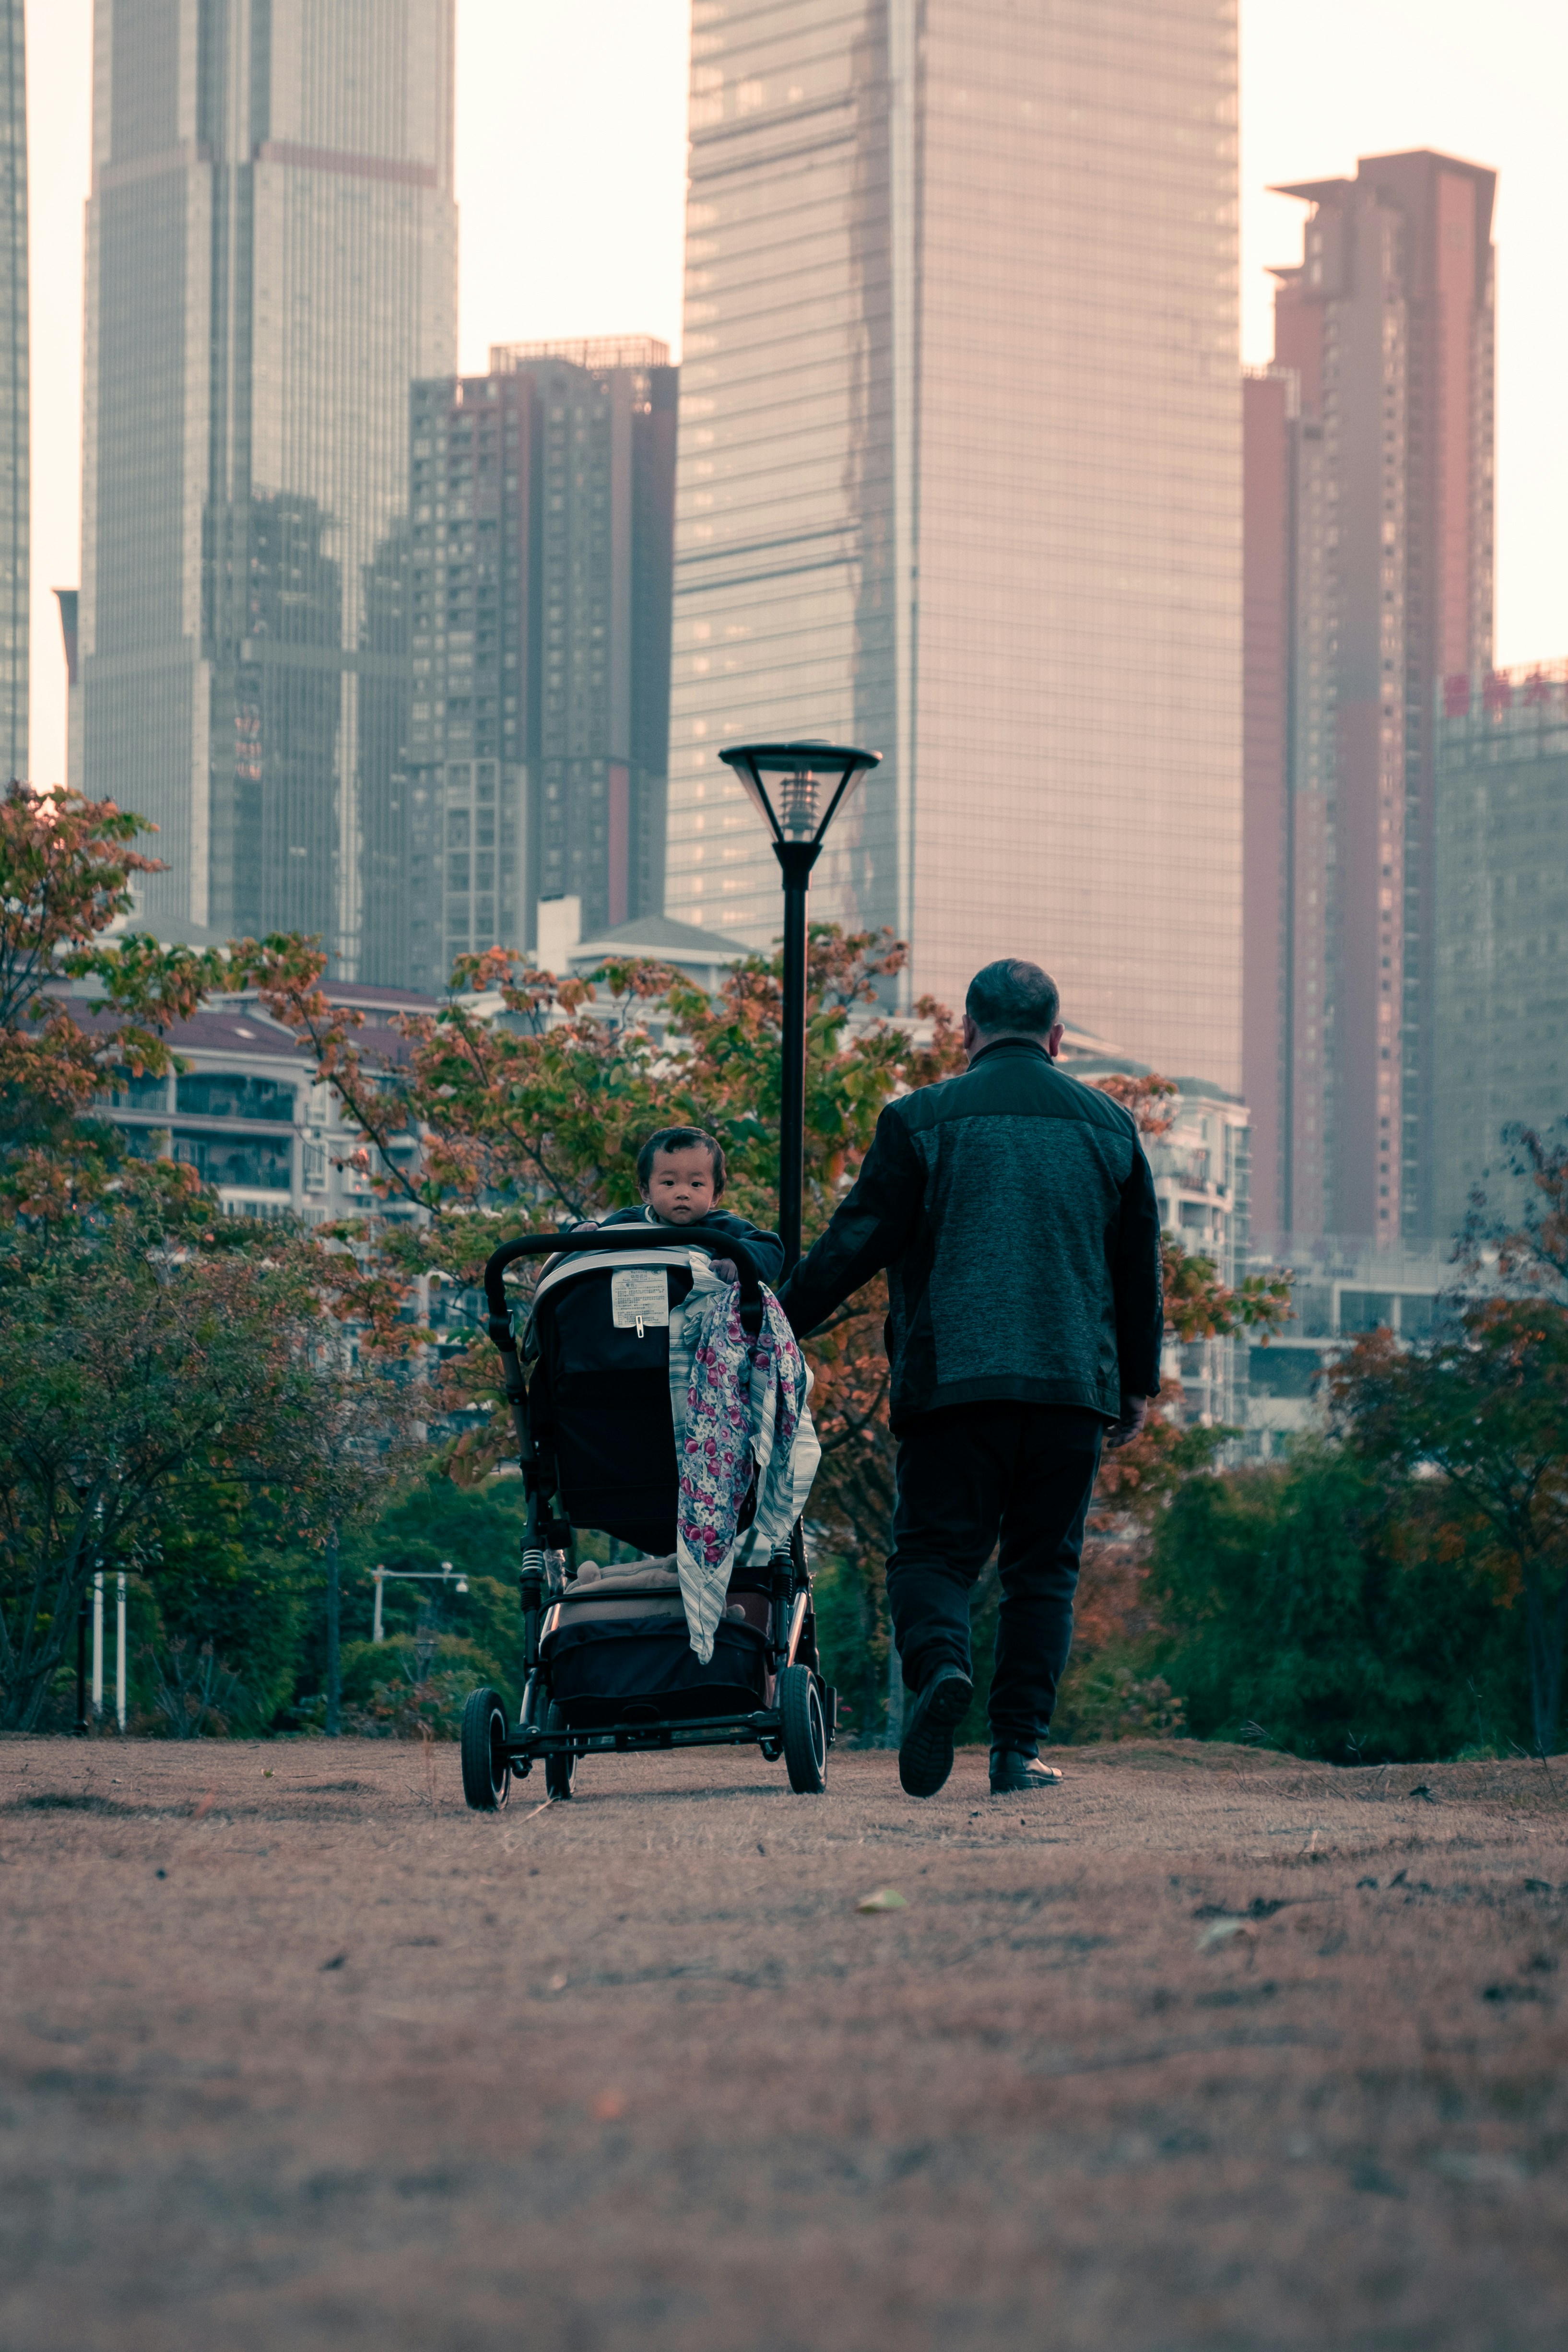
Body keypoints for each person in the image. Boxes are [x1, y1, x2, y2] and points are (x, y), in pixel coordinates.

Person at [777, 959, 1163, 1799]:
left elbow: (854, 1242)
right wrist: (1135, 1383)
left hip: (953, 1383)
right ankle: (1014, 1751)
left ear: (966, 1030)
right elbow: (1138, 1272)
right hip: (1069, 1389)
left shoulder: (919, 1118)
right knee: (1042, 1573)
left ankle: (941, 1667)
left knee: (930, 1554)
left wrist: (770, 1321)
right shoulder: (1111, 1127)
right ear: (1055, 1037)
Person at [585, 1127, 786, 1287]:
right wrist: (586, 1229)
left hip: (706, 1328)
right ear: (646, 1192)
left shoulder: (722, 1227)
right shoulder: (628, 1223)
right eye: (669, 1183)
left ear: (715, 1195)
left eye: (696, 1184)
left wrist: (738, 1260)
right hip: (640, 1322)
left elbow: (770, 1246)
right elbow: (585, 1249)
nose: (683, 1193)